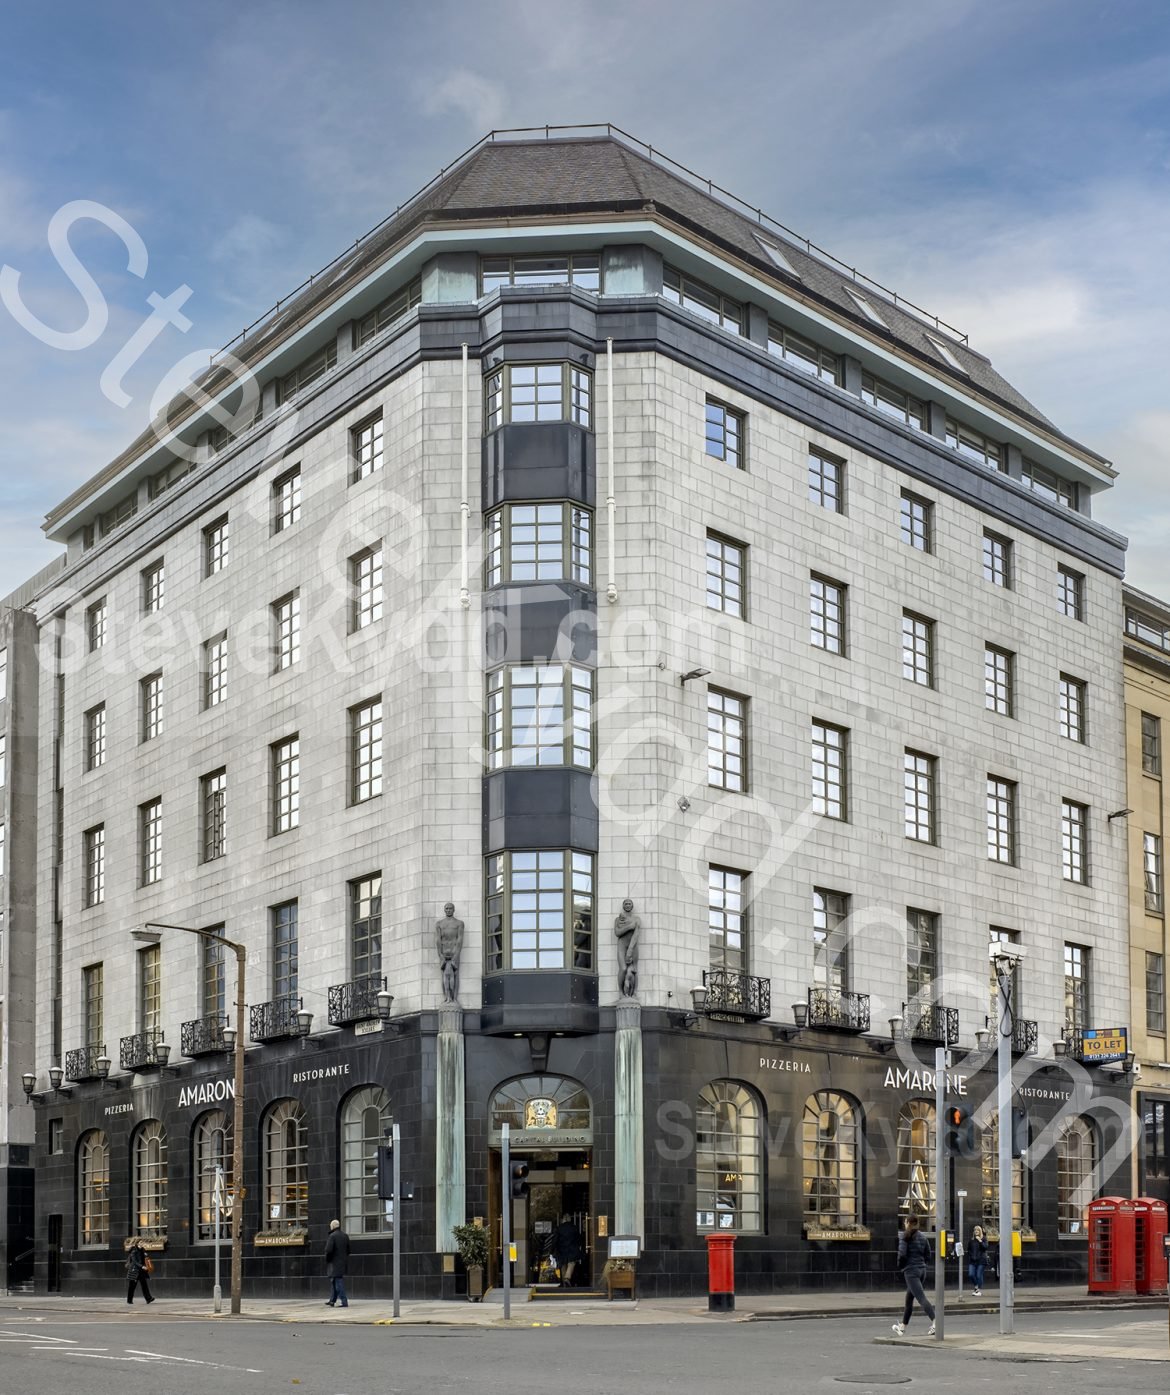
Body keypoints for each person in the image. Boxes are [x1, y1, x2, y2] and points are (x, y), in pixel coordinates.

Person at [892, 1215, 935, 1337]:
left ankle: (936, 1322)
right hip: (922, 1271)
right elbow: (928, 1254)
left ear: (907, 1223)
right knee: (909, 1299)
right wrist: (922, 1264)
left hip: (911, 1271)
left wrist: (901, 1266)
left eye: (905, 1222)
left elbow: (902, 1255)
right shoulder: (922, 1237)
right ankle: (902, 1327)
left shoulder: (904, 1236)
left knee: (921, 1298)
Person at [436, 904, 465, 1003]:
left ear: (454, 910)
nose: (448, 910)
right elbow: (438, 941)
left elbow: (459, 941)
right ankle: (446, 997)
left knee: (455, 976)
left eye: (450, 908)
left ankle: (454, 998)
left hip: (454, 954)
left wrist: (456, 956)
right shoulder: (439, 924)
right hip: (444, 954)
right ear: (444, 910)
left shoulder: (459, 923)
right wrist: (440, 955)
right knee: (444, 976)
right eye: (447, 909)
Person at [614, 899, 641, 998]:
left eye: (629, 904)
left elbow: (636, 935)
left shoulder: (636, 919)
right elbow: (617, 933)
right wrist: (629, 927)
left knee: (634, 969)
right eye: (626, 904)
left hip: (633, 946)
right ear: (623, 906)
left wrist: (630, 950)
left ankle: (634, 993)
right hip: (621, 945)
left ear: (632, 906)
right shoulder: (618, 920)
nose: (628, 905)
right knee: (623, 968)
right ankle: (621, 992)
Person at [551, 1214, 585, 1288]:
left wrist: (552, 1250)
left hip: (561, 1250)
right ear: (569, 1219)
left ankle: (564, 1283)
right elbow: (579, 1239)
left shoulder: (559, 1228)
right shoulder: (574, 1227)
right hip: (572, 1249)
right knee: (571, 1264)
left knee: (563, 1265)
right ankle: (567, 1279)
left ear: (563, 1219)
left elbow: (555, 1240)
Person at [324, 1219, 350, 1308]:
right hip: (343, 1262)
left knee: (338, 1282)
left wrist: (328, 1260)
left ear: (332, 1226)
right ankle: (332, 1300)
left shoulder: (332, 1236)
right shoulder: (345, 1236)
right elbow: (349, 1250)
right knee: (334, 1281)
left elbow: (328, 1250)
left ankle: (344, 1301)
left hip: (334, 1262)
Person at [125, 1238, 155, 1305]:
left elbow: (145, 1258)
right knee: (132, 1286)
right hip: (134, 1270)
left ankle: (148, 1298)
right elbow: (134, 1261)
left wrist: (147, 1263)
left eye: (143, 1242)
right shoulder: (134, 1251)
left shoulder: (143, 1250)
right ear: (137, 1243)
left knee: (144, 1285)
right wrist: (142, 1266)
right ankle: (129, 1300)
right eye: (141, 1242)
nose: (142, 1243)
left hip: (141, 1271)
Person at [967, 1224, 988, 1297]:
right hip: (973, 1260)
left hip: (981, 1260)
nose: (976, 1231)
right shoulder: (971, 1240)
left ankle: (978, 1289)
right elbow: (968, 1249)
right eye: (975, 1230)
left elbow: (985, 1247)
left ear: (980, 1231)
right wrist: (970, 1255)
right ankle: (976, 1286)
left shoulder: (984, 1239)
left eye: (978, 1230)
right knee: (971, 1274)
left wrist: (980, 1241)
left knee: (979, 1275)